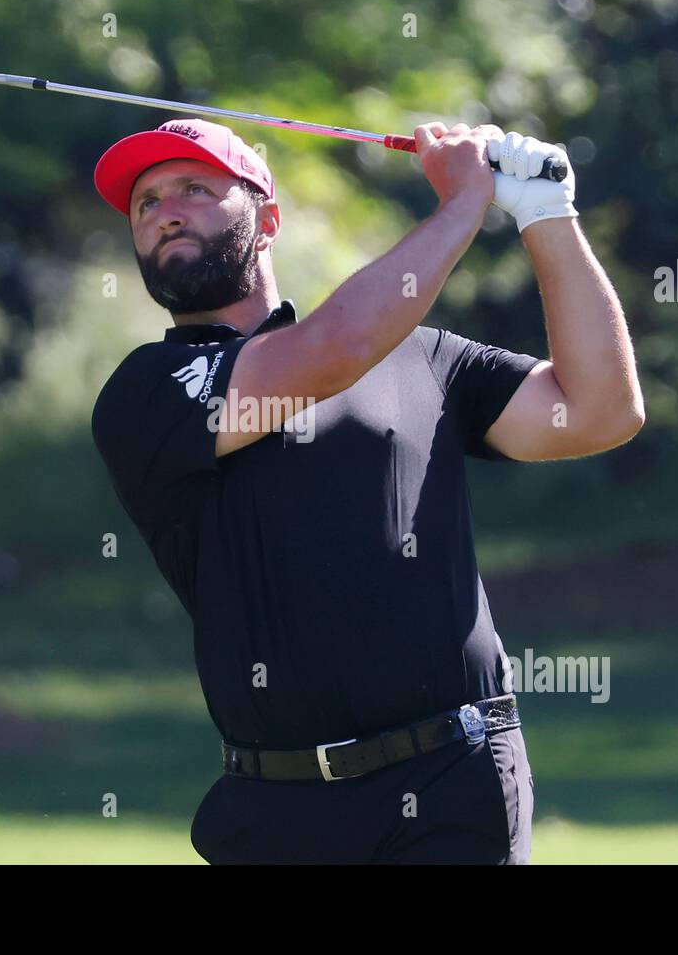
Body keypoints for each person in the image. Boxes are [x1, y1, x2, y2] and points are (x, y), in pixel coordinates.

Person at [89, 116, 644, 863]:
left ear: (267, 220)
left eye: (194, 188)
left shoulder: (418, 357)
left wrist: (546, 215)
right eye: (146, 203)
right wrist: (459, 209)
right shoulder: (146, 394)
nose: (167, 211)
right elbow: (332, 350)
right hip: (274, 814)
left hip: (454, 786)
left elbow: (599, 411)